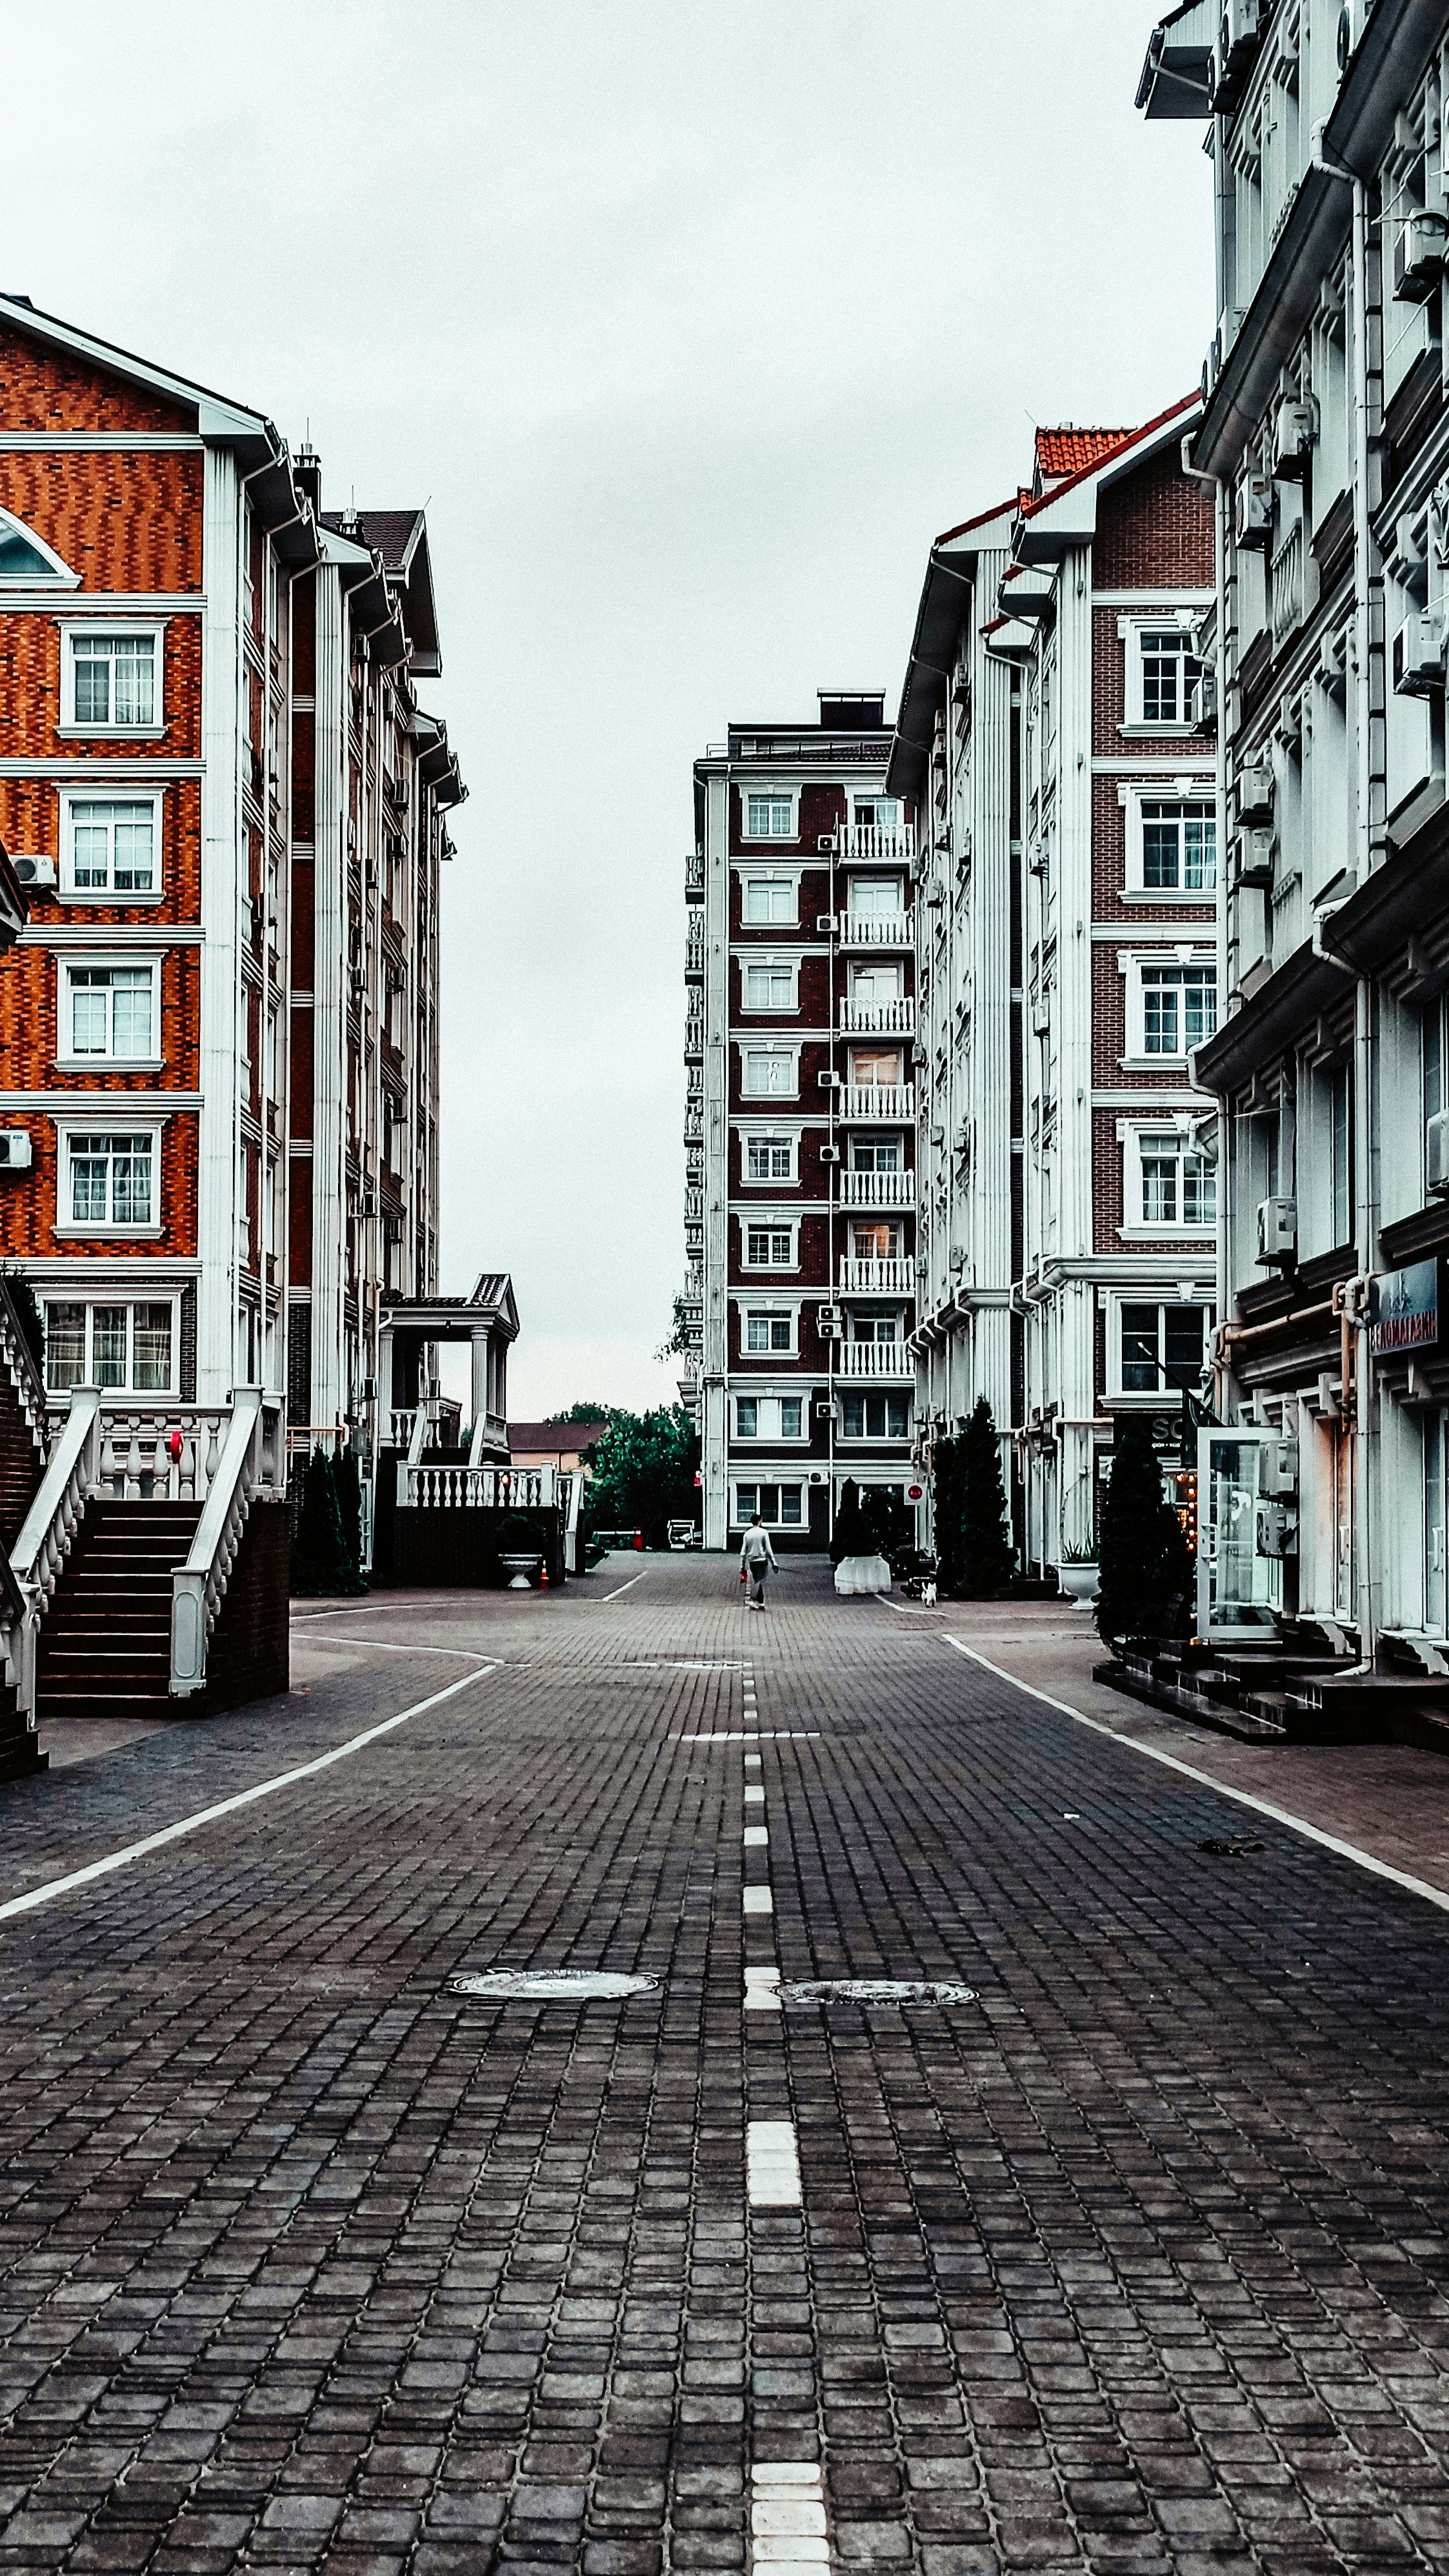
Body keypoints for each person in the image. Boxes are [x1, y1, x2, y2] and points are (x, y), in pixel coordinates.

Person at [739, 1513, 777, 1610]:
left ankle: (761, 1602)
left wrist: (742, 1565)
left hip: (752, 1562)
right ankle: (753, 1599)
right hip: (762, 1561)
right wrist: (774, 1563)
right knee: (761, 1581)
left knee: (757, 1580)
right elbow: (769, 1549)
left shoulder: (747, 1534)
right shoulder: (764, 1533)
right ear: (760, 1521)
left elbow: (743, 1552)